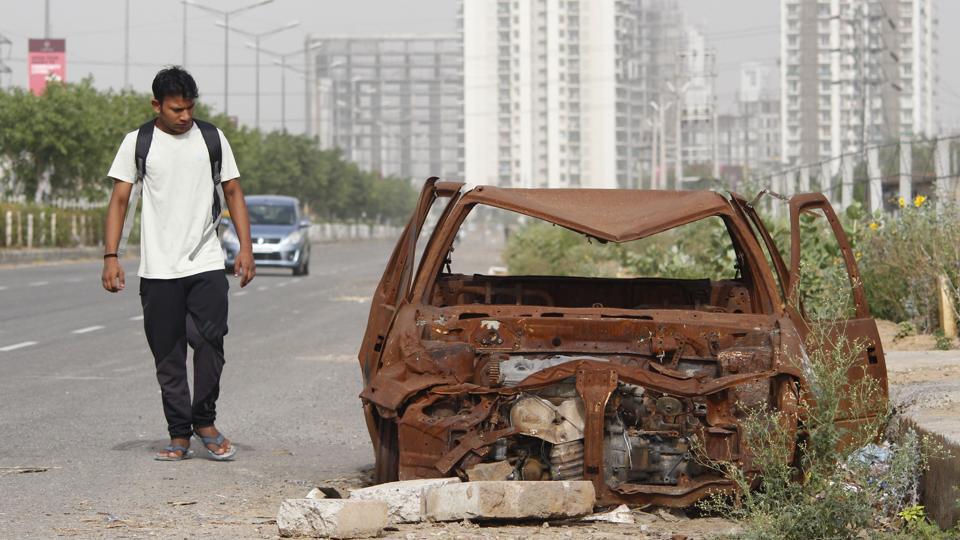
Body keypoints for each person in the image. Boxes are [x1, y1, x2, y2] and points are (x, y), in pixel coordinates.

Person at [101, 66, 255, 461]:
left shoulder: (211, 138)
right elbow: (120, 200)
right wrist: (111, 256)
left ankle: (204, 421)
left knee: (209, 343)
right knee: (167, 355)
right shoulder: (139, 142)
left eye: (189, 108)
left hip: (205, 262)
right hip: (158, 270)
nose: (184, 116)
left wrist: (245, 248)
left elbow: (233, 192)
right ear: (157, 105)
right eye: (176, 109)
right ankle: (178, 434)